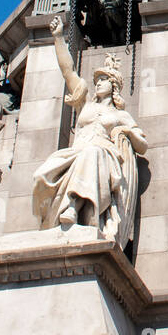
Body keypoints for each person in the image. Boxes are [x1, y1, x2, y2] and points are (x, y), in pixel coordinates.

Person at [32, 18, 147, 246]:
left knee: (92, 154)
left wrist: (125, 131)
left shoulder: (120, 116)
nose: (99, 83)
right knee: (41, 174)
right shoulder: (85, 105)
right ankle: (57, 213)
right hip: (77, 152)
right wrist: (57, 38)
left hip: (103, 155)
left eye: (104, 80)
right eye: (98, 80)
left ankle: (72, 207)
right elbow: (68, 71)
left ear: (114, 86)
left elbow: (142, 145)